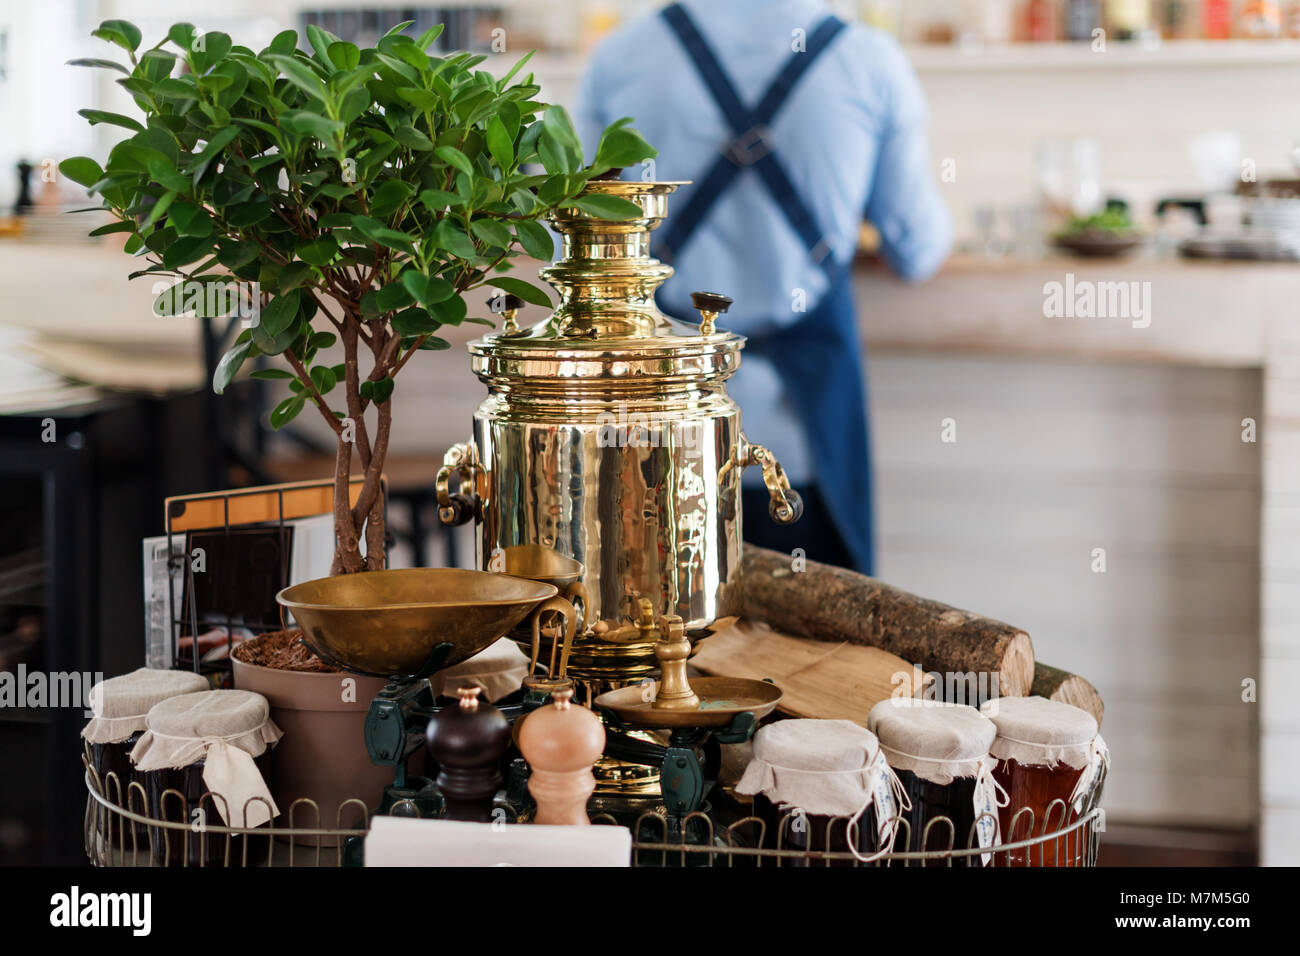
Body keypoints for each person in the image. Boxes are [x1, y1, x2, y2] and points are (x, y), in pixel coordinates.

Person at [575, 0, 952, 575]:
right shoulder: (868, 59)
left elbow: (570, 241)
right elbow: (918, 248)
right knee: (820, 655)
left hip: (658, 445)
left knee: (653, 651)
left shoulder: (624, 54)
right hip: (800, 453)